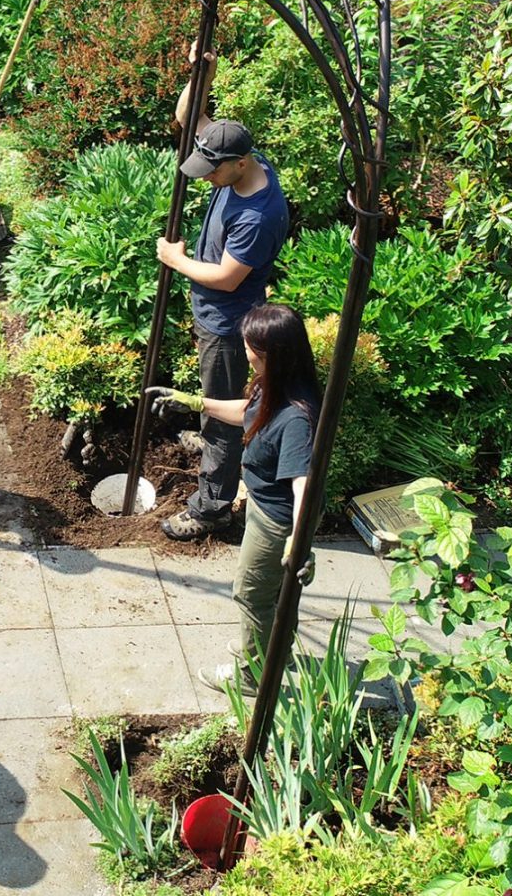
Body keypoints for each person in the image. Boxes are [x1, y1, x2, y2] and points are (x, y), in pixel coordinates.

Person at [147, 303, 320, 693]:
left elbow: (303, 482)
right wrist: (195, 402)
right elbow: (249, 412)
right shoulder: (282, 384)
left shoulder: (296, 418)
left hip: (278, 521)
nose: (244, 351)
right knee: (274, 592)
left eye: (248, 346)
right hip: (265, 506)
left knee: (252, 592)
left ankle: (251, 676)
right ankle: (276, 651)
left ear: (267, 353)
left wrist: (299, 540)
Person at [155, 45, 291, 541]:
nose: (206, 176)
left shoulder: (258, 215)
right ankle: (215, 450)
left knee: (223, 415)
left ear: (236, 163)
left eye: (212, 169)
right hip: (213, 314)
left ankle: (212, 506)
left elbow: (229, 277)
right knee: (218, 401)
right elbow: (189, 116)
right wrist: (203, 69)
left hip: (230, 322)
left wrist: (176, 260)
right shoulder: (239, 163)